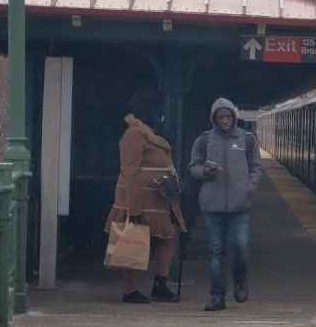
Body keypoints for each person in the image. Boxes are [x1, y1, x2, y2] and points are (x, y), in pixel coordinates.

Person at [106, 88, 186, 304]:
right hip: (141, 197)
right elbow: (130, 171)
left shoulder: (150, 133)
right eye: (157, 109)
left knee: (170, 234)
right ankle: (130, 290)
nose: (161, 113)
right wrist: (133, 209)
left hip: (160, 198)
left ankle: (160, 283)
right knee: (136, 237)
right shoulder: (133, 135)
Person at [189, 98, 262, 312]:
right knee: (215, 251)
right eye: (220, 117)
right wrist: (204, 172)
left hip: (240, 206)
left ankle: (240, 280)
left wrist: (249, 188)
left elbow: (256, 167)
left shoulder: (247, 139)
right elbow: (192, 166)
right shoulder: (203, 141)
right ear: (214, 119)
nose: (224, 120)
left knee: (241, 247)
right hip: (212, 206)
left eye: (228, 116)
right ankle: (217, 296)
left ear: (233, 116)